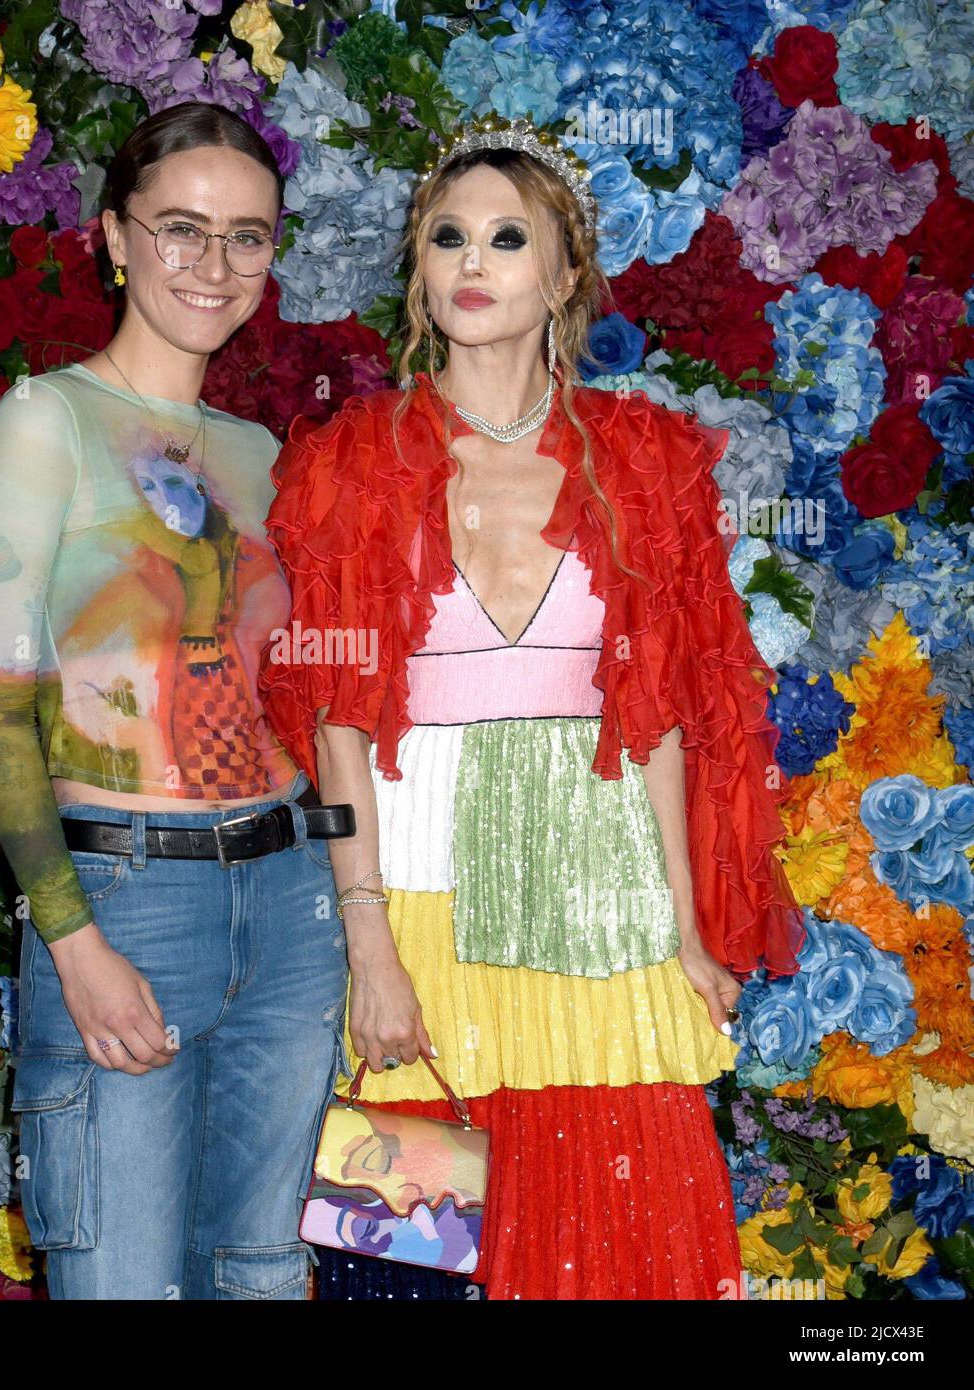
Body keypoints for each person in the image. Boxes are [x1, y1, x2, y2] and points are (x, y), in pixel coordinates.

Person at [258, 115, 805, 1300]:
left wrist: (688, 924)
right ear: (416, 267)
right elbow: (335, 723)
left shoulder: (642, 461)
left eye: (507, 238)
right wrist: (369, 945)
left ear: (563, 276)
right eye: (447, 235)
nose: (471, 260)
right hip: (422, 896)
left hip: (601, 893)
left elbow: (655, 719)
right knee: (425, 1255)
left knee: (624, 1237)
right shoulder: (351, 461)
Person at [0, 101, 355, 1301]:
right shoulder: (44, 420)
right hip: (129, 897)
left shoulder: (263, 452)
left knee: (259, 1273)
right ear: (114, 240)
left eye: (247, 236)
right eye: (180, 229)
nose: (213, 265)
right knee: (121, 1282)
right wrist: (72, 938)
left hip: (292, 906)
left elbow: (305, 685)